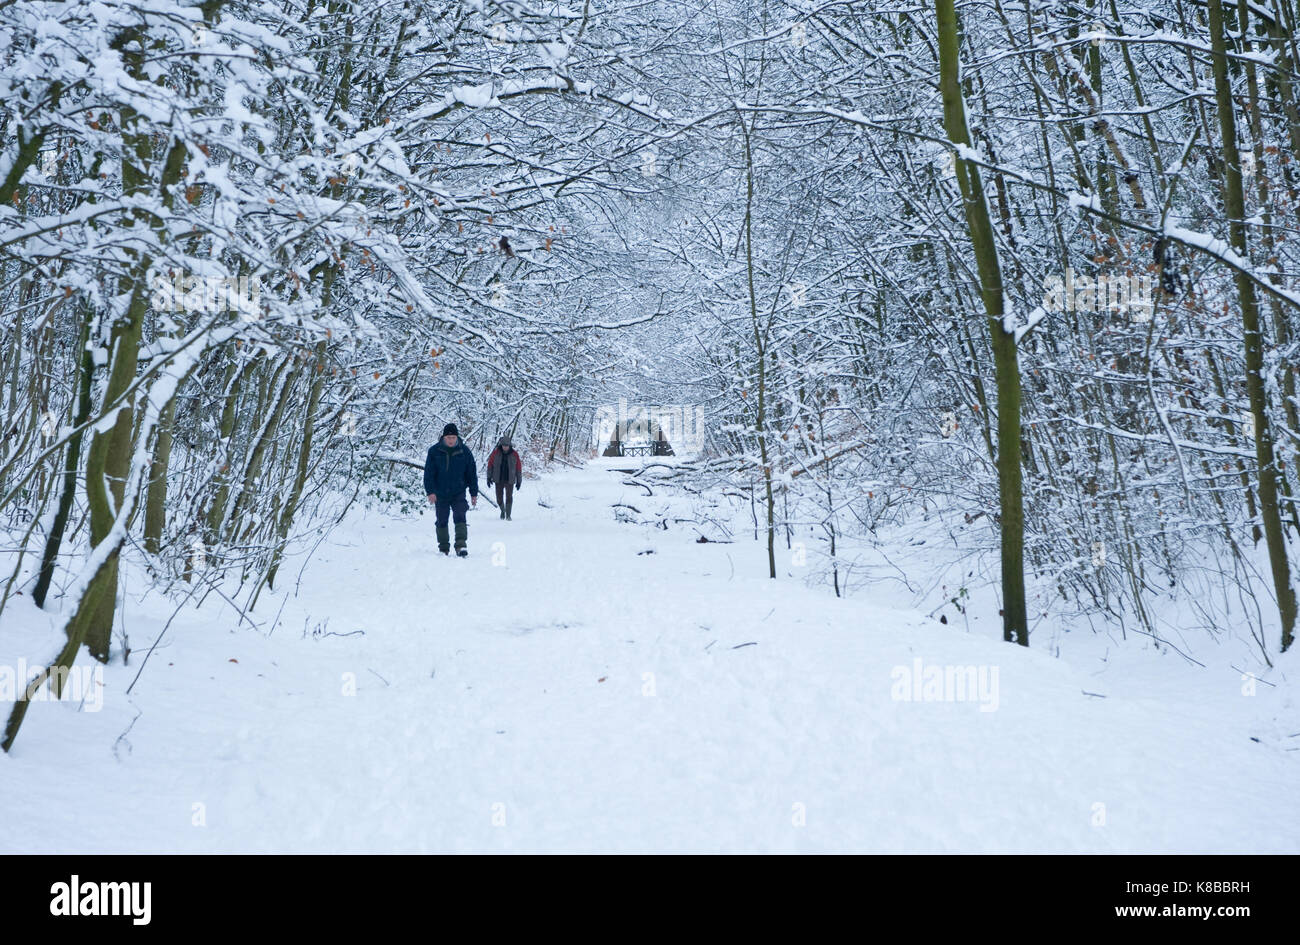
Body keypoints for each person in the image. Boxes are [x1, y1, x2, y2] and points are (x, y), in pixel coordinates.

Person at [423, 423, 479, 556]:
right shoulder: (434, 451)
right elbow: (429, 473)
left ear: (457, 437)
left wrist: (473, 492)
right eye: (448, 437)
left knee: (460, 514)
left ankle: (461, 545)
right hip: (440, 492)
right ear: (443, 437)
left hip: (458, 491)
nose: (451, 440)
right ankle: (443, 547)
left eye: (453, 437)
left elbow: (471, 472)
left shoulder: (464, 451)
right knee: (442, 519)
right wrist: (430, 491)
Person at [486, 435, 523, 520]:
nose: (505, 447)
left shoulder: (515, 454)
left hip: (510, 479)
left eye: (507, 446)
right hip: (498, 478)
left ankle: (508, 515)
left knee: (509, 497)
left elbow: (518, 468)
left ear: (509, 445)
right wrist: (488, 477)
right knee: (499, 498)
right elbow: (490, 465)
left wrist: (519, 481)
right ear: (501, 445)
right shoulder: (496, 453)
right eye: (503, 445)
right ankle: (503, 510)